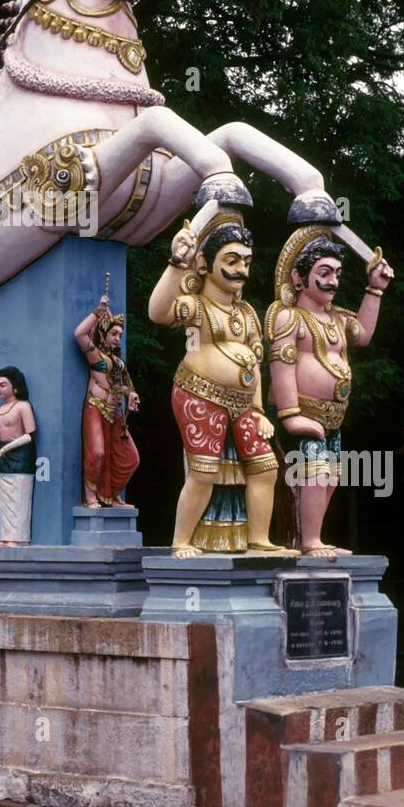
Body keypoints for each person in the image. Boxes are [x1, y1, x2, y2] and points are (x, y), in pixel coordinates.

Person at [148, 212, 286, 558]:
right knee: (204, 471)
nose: (241, 269)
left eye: (246, 262)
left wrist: (258, 409)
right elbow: (157, 312)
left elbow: (256, 362)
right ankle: (181, 539)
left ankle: (258, 538)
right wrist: (177, 263)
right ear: (205, 264)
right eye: (232, 260)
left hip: (243, 402)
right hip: (200, 392)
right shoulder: (196, 307)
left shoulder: (248, 313)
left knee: (266, 466)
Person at [266, 229, 393, 559]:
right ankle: (310, 541)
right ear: (298, 277)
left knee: (332, 477)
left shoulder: (336, 318)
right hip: (300, 414)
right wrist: (291, 415)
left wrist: (375, 289)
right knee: (314, 472)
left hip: (332, 417)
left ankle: (314, 537)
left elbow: (362, 334)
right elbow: (282, 366)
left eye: (336, 273)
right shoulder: (288, 317)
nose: (332, 281)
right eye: (323, 273)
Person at [74, 297, 140, 507]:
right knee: (98, 452)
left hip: (115, 412)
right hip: (96, 407)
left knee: (130, 458)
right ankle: (91, 497)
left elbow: (126, 384)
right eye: (113, 333)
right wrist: (98, 311)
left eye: (120, 335)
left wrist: (132, 394)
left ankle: (111, 495)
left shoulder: (119, 362)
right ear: (103, 334)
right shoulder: (96, 357)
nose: (118, 338)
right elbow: (79, 334)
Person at [0, 367, 37, 546]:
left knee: (19, 497)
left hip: (20, 455)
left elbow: (29, 435)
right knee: (5, 499)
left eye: (3, 385)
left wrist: (6, 449)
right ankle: (6, 537)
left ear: (14, 386)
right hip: (2, 455)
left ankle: (18, 537)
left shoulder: (23, 406)